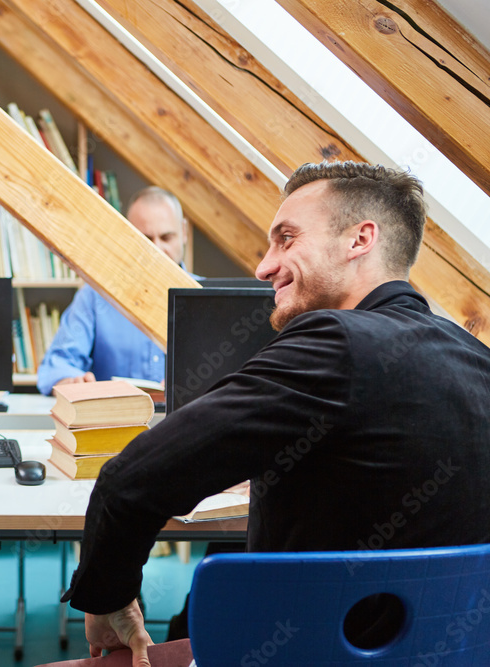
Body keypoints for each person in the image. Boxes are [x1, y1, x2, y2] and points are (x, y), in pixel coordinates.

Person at [62, 161, 490, 665]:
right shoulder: (477, 358)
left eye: (285, 239)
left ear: (360, 240)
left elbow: (129, 481)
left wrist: (106, 599)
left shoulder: (334, 341)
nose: (264, 266)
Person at [36, 186, 191, 395]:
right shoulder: (95, 297)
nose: (157, 250)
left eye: (166, 237)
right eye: (145, 239)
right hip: (117, 424)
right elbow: (56, 366)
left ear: (184, 232)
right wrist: (72, 383)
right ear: (128, 237)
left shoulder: (212, 299)